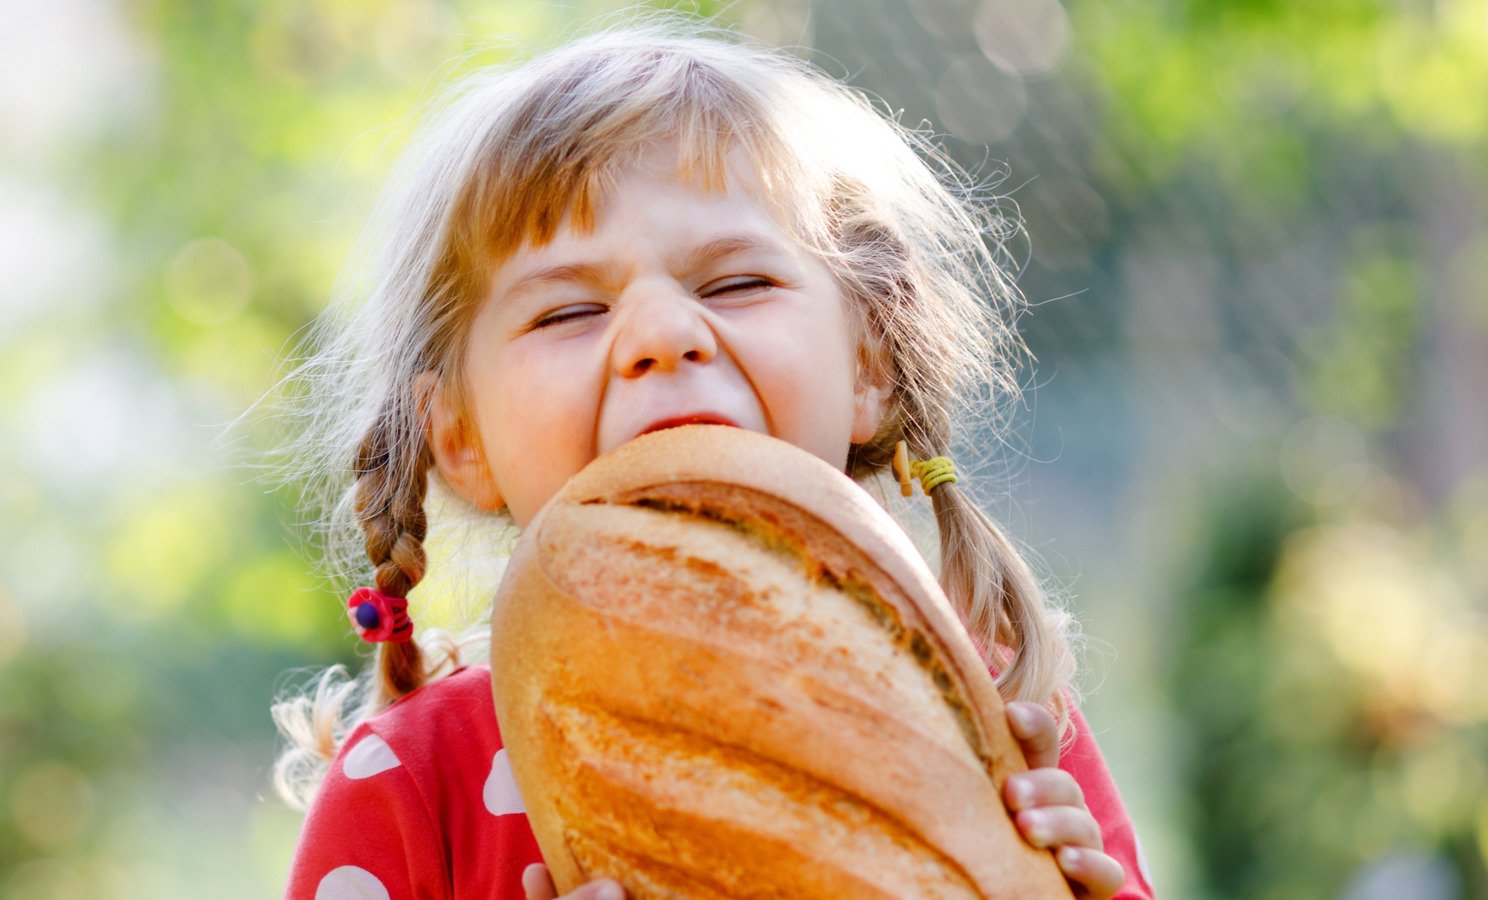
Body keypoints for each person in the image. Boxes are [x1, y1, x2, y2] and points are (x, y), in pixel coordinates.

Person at [273, 18, 1155, 900]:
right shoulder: (411, 784)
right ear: (461, 437)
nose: (661, 333)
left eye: (737, 283)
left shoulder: (993, 722)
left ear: (869, 363)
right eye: (569, 312)